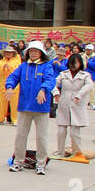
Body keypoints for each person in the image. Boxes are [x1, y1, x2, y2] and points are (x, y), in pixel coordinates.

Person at [4, 41, 57, 175]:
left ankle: (40, 164)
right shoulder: (23, 66)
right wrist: (9, 87)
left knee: (41, 137)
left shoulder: (47, 66)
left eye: (36, 51)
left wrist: (43, 90)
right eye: (31, 51)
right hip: (24, 106)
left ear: (41, 53)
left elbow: (50, 80)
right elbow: (12, 77)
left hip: (41, 107)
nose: (33, 53)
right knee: (20, 136)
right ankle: (18, 162)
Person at [52, 54, 95, 158]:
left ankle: (77, 152)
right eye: (72, 62)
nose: (73, 65)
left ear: (80, 63)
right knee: (61, 131)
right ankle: (60, 151)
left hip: (77, 105)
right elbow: (52, 83)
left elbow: (89, 85)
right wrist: (56, 93)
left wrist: (79, 95)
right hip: (64, 104)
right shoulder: (63, 74)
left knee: (74, 133)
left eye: (76, 62)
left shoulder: (85, 75)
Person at [0, 44, 21, 124]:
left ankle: (15, 119)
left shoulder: (17, 61)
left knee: (14, 103)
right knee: (1, 103)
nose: (8, 54)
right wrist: (3, 68)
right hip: (2, 84)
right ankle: (0, 118)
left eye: (10, 53)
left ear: (13, 53)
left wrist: (9, 68)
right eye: (7, 52)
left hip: (14, 85)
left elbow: (18, 72)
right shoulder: (1, 62)